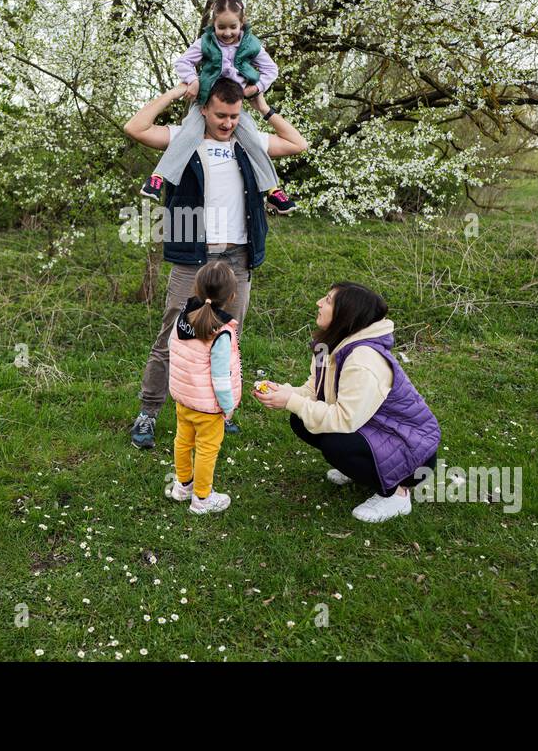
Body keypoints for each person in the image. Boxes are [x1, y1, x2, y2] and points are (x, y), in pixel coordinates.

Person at [122, 76, 309, 449]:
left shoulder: (247, 142)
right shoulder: (184, 140)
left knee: (228, 336)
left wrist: (262, 108)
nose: (227, 123)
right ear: (204, 109)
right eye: (221, 115)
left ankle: (219, 412)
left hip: (237, 255)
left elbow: (297, 143)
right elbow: (135, 127)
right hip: (194, 253)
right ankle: (148, 412)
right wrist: (179, 92)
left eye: (234, 115)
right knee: (172, 336)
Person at [254, 282, 441, 523]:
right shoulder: (328, 345)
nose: (319, 303)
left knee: (336, 444)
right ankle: (365, 470)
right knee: (300, 420)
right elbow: (315, 389)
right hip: (375, 428)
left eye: (328, 300)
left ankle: (398, 493)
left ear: (346, 314)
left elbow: (344, 419)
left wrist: (291, 400)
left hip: (412, 454)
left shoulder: (363, 360)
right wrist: (285, 393)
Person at [139, 0, 297, 215]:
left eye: (233, 27)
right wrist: (193, 81)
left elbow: (272, 70)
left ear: (242, 23)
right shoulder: (205, 42)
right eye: (221, 27)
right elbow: (183, 62)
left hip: (235, 105)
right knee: (188, 134)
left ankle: (272, 190)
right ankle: (158, 177)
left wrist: (256, 88)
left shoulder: (252, 45)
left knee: (252, 139)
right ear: (213, 23)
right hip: (205, 101)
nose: (227, 33)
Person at [165, 261, 241, 514]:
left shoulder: (182, 316)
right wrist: (227, 407)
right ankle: (202, 498)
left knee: (183, 441)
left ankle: (182, 486)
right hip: (208, 407)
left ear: (196, 288)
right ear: (231, 296)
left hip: (183, 399)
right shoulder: (221, 331)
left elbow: (173, 349)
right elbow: (220, 377)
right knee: (207, 450)